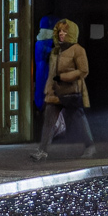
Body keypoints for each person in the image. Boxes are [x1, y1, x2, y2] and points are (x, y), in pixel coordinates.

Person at [30, 19, 95, 161]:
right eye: (59, 31)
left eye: (65, 31)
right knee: (48, 122)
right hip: (55, 92)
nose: (61, 34)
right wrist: (48, 89)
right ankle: (42, 150)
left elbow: (83, 71)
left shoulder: (78, 50)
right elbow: (52, 73)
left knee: (78, 119)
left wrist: (64, 77)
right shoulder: (55, 51)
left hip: (71, 92)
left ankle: (89, 146)